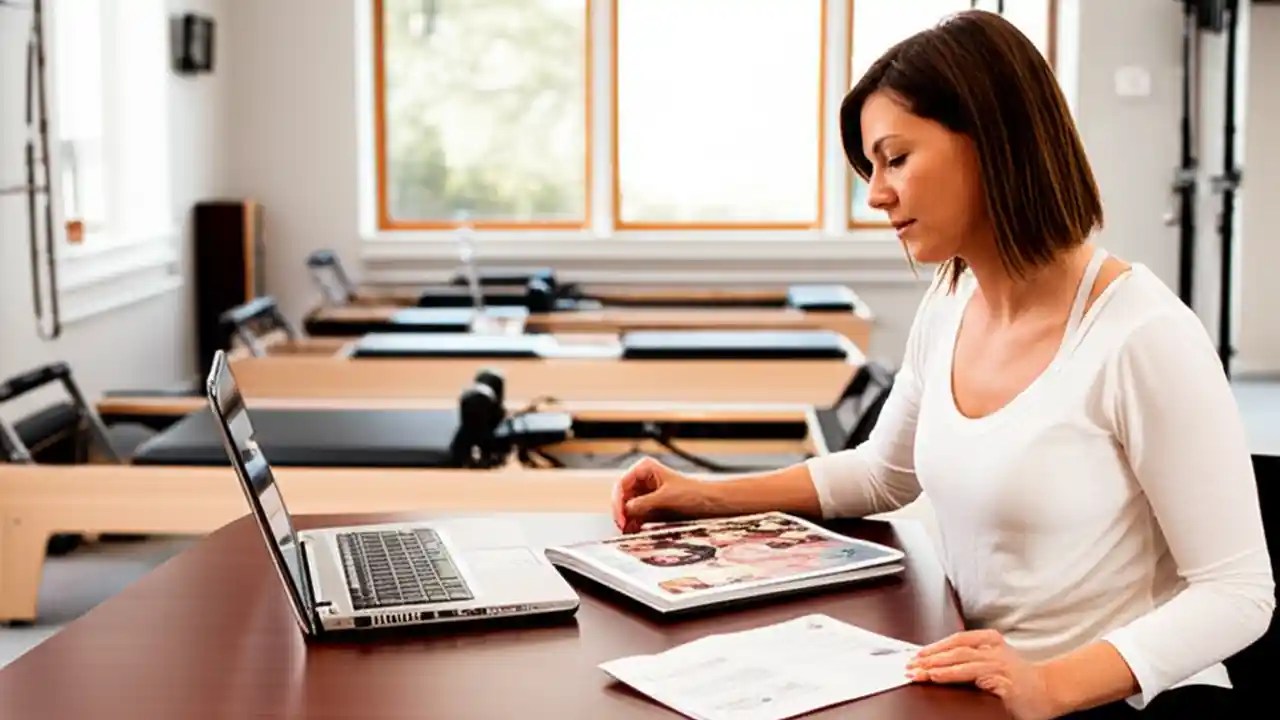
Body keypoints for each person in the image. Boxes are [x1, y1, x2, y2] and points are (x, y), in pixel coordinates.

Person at [609, 10, 1273, 720]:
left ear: (992, 139)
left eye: (896, 159)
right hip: (981, 683)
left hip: (1112, 699)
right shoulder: (952, 300)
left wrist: (1049, 684)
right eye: (871, 168)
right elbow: (880, 473)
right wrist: (701, 496)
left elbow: (1237, 594)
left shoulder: (1144, 334)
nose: (876, 193)